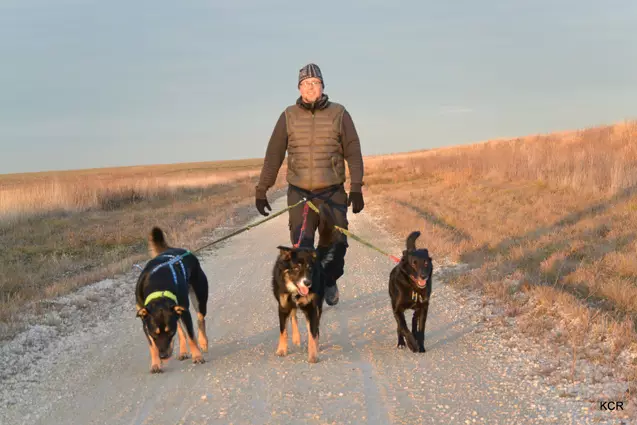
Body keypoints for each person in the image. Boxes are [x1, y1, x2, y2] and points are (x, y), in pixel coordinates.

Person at [255, 63, 365, 306]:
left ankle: (328, 280)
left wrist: (356, 187)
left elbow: (353, 151)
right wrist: (262, 189)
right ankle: (309, 295)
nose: (310, 87)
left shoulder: (339, 113)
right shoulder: (288, 116)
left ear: (322, 85)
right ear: (299, 88)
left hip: (332, 192)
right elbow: (274, 154)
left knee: (336, 244)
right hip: (300, 193)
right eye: (305, 84)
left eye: (315, 83)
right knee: (302, 248)